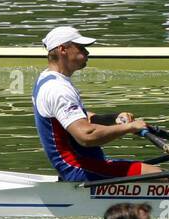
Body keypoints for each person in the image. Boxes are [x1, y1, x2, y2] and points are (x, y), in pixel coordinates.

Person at [33, 26, 161, 182]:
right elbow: (86, 136)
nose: (87, 53)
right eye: (81, 47)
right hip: (77, 168)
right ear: (62, 49)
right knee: (163, 176)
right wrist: (129, 127)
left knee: (154, 171)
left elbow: (80, 118)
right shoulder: (58, 89)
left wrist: (114, 118)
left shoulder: (47, 78)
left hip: (85, 163)